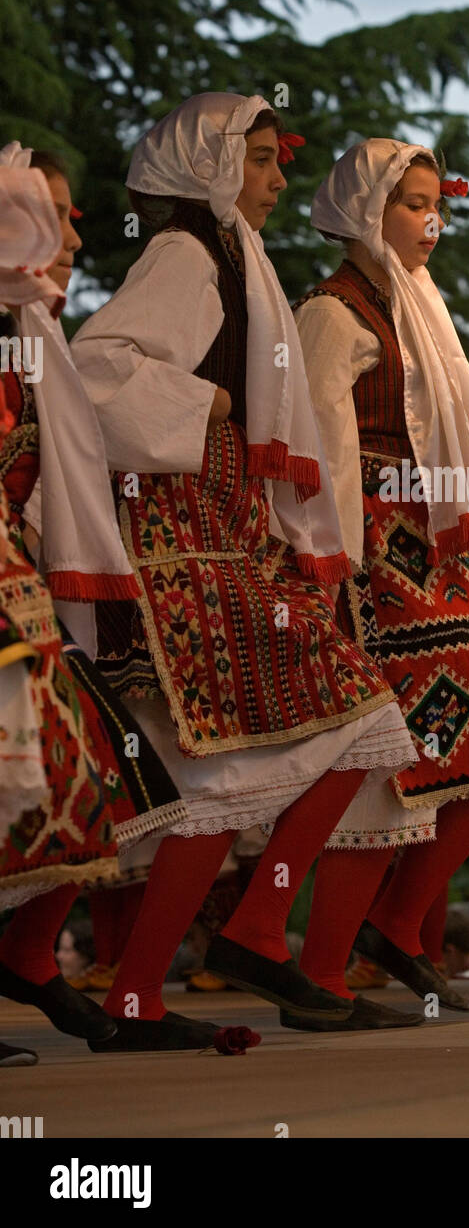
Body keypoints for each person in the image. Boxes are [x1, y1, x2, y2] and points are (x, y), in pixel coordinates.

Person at [71, 94, 422, 1048]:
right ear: (209, 168)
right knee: (321, 736)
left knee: (273, 758)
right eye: (260, 161)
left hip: (225, 534)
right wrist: (214, 403)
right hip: (186, 542)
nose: (274, 180)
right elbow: (98, 367)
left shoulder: (235, 259)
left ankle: (191, 963)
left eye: (274, 161)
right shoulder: (189, 255)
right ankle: (182, 965)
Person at [292, 140, 469, 1016]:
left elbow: (450, 456)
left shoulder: (421, 314)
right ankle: (324, 965)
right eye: (410, 203)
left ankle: (393, 925)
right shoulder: (332, 312)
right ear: (367, 207)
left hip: (432, 556)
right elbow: (315, 451)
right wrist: (328, 567)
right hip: (369, 558)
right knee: (383, 765)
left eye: (436, 203)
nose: (429, 221)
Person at [0, 154, 183, 1055]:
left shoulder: (29, 340)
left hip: (19, 598)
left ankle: (30, 958)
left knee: (100, 772)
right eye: (55, 216)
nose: (74, 238)